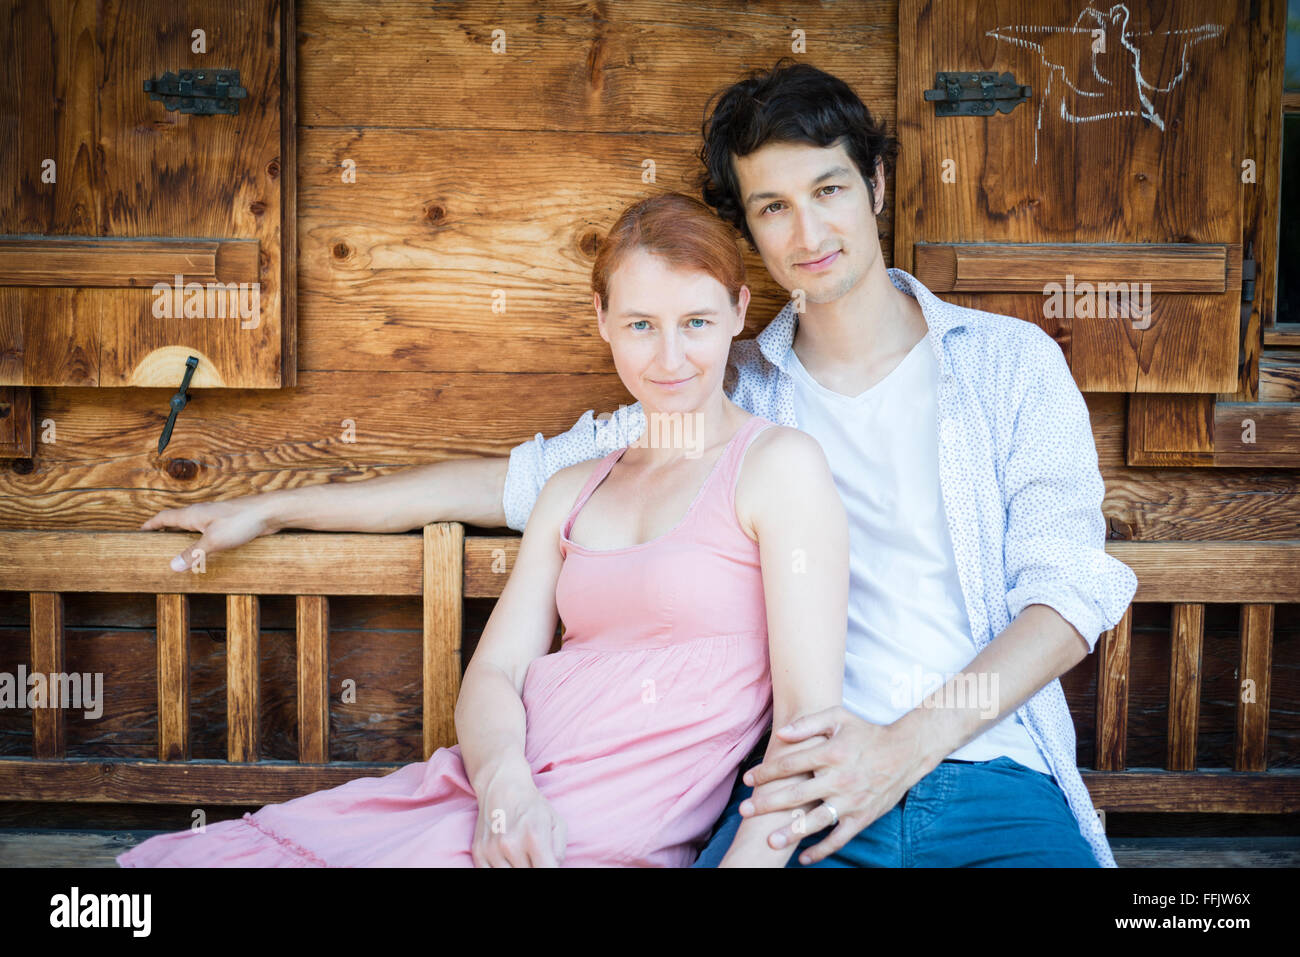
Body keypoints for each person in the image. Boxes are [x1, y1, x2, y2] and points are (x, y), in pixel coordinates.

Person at [138, 58, 1137, 868]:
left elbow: (1065, 595)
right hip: (792, 788)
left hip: (990, 770)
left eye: (828, 189)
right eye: (771, 208)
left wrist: (904, 747)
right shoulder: (720, 381)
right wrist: (274, 508)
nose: (809, 230)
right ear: (746, 237)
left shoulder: (1005, 365)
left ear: (872, 183)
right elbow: (512, 483)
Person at [117, 192, 849, 868]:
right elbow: (495, 673)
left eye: (695, 322)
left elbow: (807, 731)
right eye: (639, 325)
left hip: (604, 832)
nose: (668, 357)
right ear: (601, 320)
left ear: (738, 311)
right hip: (493, 793)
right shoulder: (574, 486)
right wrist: (503, 787)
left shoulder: (779, 468)